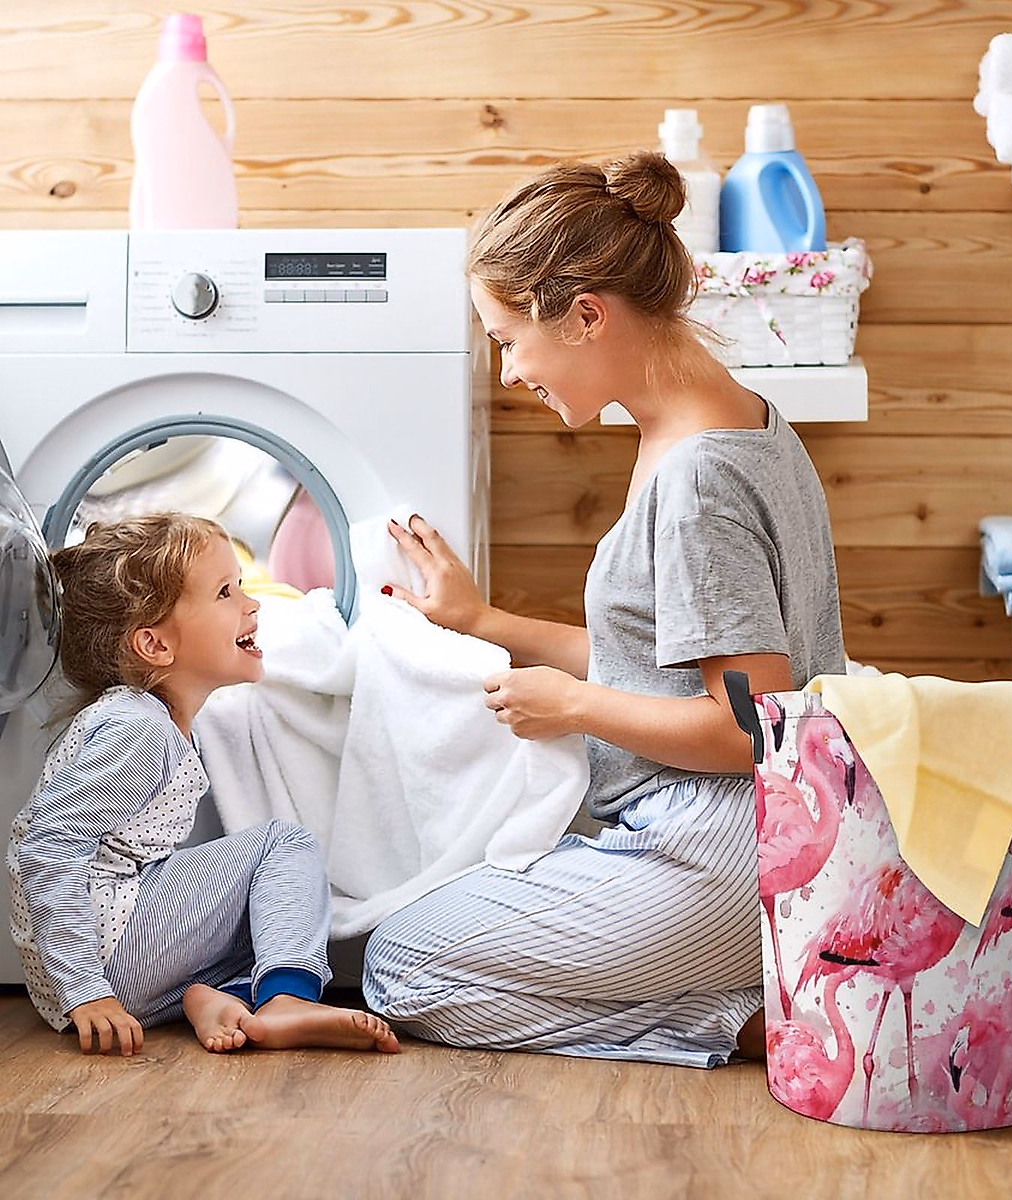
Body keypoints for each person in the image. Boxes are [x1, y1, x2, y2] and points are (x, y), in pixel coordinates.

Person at [362, 150, 845, 1068]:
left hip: (721, 850)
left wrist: (571, 707)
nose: (507, 371)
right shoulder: (735, 421)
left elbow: (754, 728)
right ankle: (744, 995)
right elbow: (667, 657)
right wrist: (484, 622)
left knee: (399, 964)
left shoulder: (698, 476)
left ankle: (750, 1022)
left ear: (586, 316)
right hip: (769, 837)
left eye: (509, 338)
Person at [8, 513, 400, 1057]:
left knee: (268, 911)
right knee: (283, 845)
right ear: (155, 645)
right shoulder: (135, 727)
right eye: (224, 592)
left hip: (108, 958)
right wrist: (84, 990)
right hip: (102, 956)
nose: (251, 604)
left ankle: (211, 998)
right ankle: (287, 999)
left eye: (241, 586)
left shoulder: (154, 721)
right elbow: (48, 849)